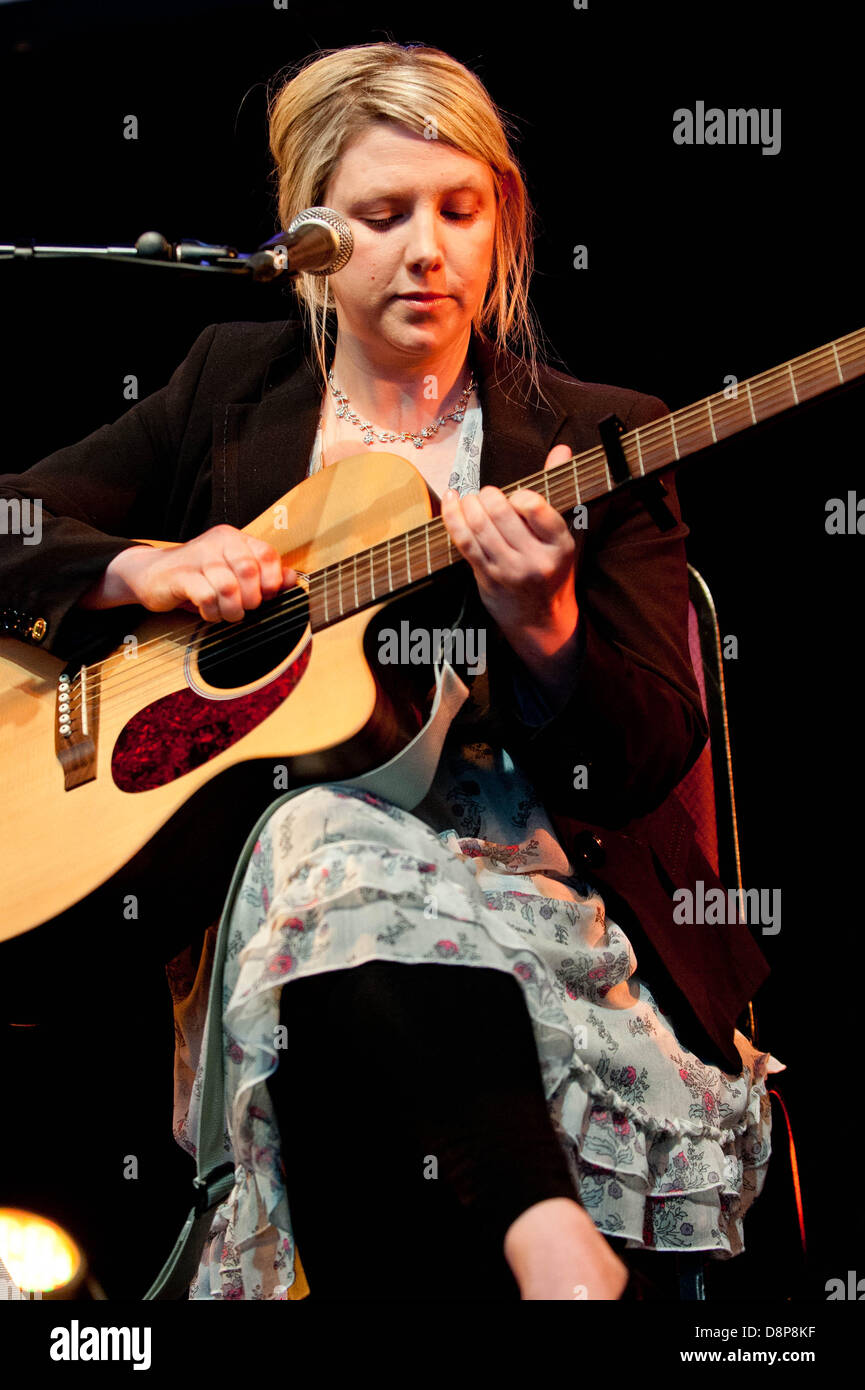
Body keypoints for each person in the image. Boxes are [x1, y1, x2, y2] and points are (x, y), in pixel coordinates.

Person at [0, 41, 781, 1301]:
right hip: (281, 935)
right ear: (309, 238)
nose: (427, 248)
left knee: (326, 828)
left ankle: (552, 1245)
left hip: (538, 912)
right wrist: (139, 571)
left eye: (459, 210)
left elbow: (636, 766)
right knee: (318, 820)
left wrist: (548, 626)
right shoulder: (225, 386)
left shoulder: (591, 434)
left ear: (502, 222)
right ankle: (553, 1253)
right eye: (381, 215)